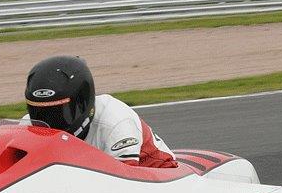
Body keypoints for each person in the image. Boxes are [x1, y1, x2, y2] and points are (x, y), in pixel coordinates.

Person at [22, 55, 177, 168]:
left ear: (83, 102)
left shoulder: (116, 122)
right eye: (40, 112)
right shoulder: (28, 126)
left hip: (156, 177)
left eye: (59, 112)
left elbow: (123, 186)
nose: (49, 121)